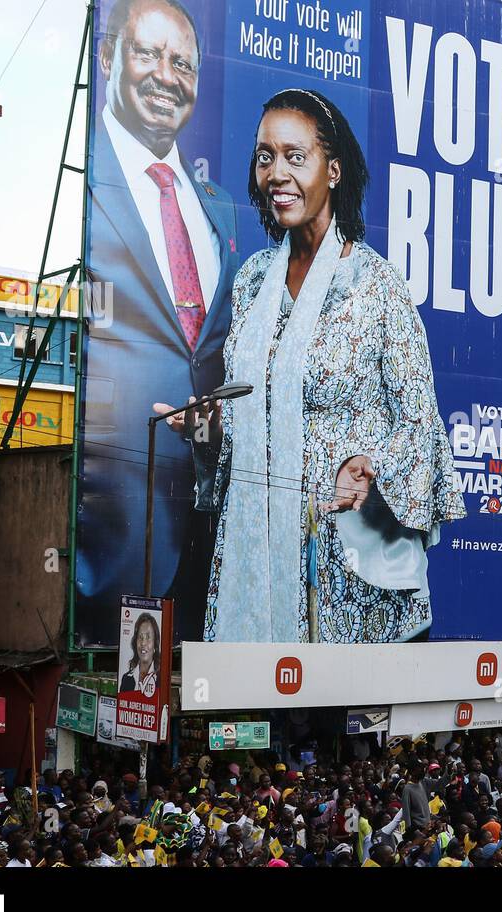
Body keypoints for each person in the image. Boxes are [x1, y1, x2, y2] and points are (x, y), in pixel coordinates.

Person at [178, 87, 464, 644]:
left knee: (340, 728)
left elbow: (422, 427)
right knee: (249, 724)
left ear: (332, 171)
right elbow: (244, 423)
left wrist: (368, 463)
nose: (276, 173)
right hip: (252, 568)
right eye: (265, 157)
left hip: (345, 579)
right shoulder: (253, 280)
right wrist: (208, 432)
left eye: (295, 156)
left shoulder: (377, 285)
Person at [79, 0, 240, 645]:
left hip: (206, 542)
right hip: (108, 549)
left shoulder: (218, 209)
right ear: (110, 55)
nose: (165, 75)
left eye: (183, 63)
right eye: (148, 54)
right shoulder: (84, 177)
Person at [118, 613, 160, 696]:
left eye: (148, 637)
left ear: (155, 643)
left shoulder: (161, 679)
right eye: (140, 637)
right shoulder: (126, 679)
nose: (143, 643)